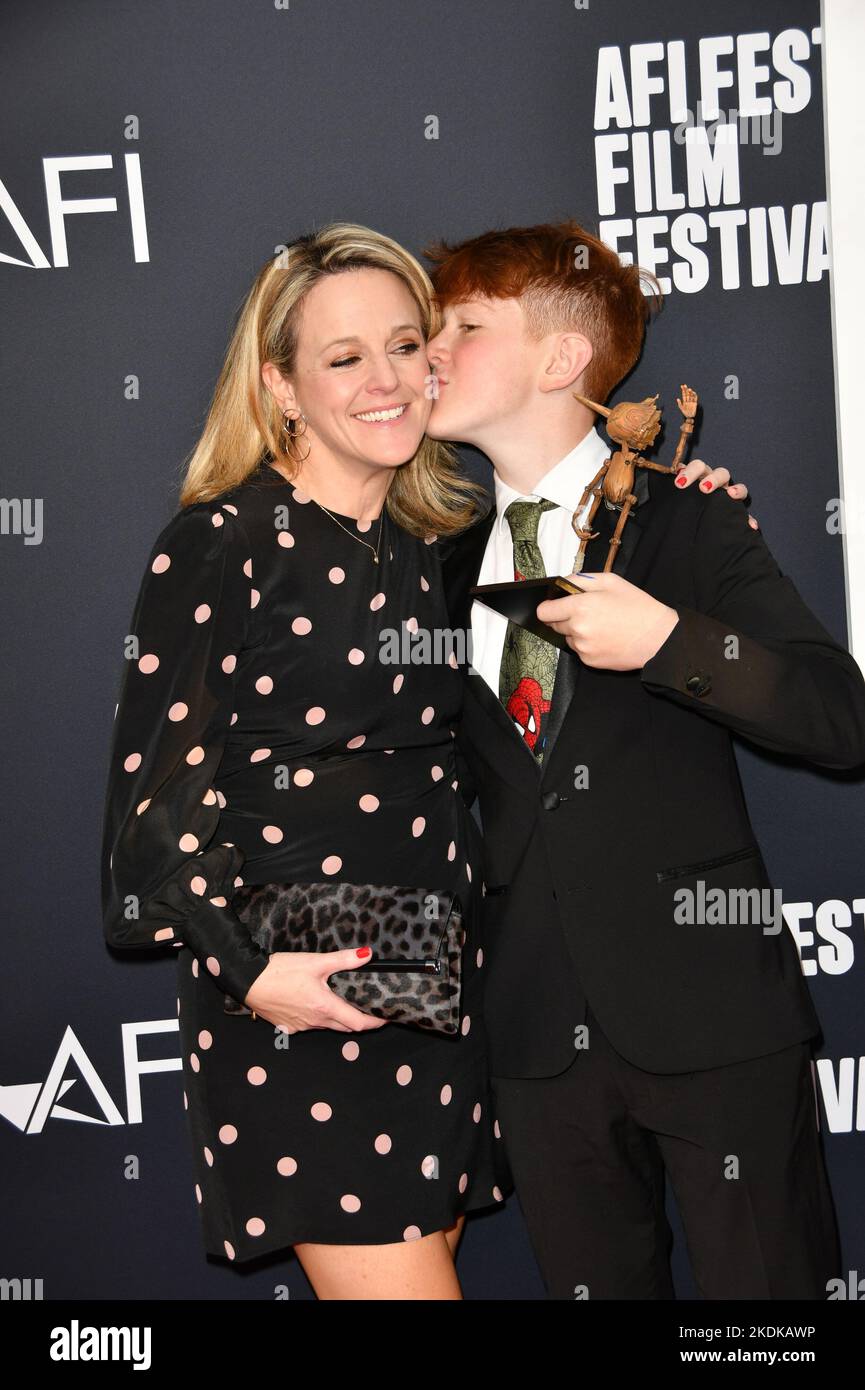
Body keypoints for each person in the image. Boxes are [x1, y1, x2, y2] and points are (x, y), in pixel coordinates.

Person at [422, 219, 865, 1300]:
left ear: (561, 359)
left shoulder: (689, 522)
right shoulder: (422, 575)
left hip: (711, 1013)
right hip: (531, 1040)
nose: (428, 351)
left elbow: (837, 715)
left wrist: (671, 644)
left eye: (464, 328)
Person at [100, 223, 516, 1301]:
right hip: (298, 1007)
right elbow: (150, 828)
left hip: (430, 985)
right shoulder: (222, 541)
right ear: (281, 385)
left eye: (404, 343)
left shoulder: (433, 547)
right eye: (343, 358)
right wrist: (251, 971)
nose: (386, 379)